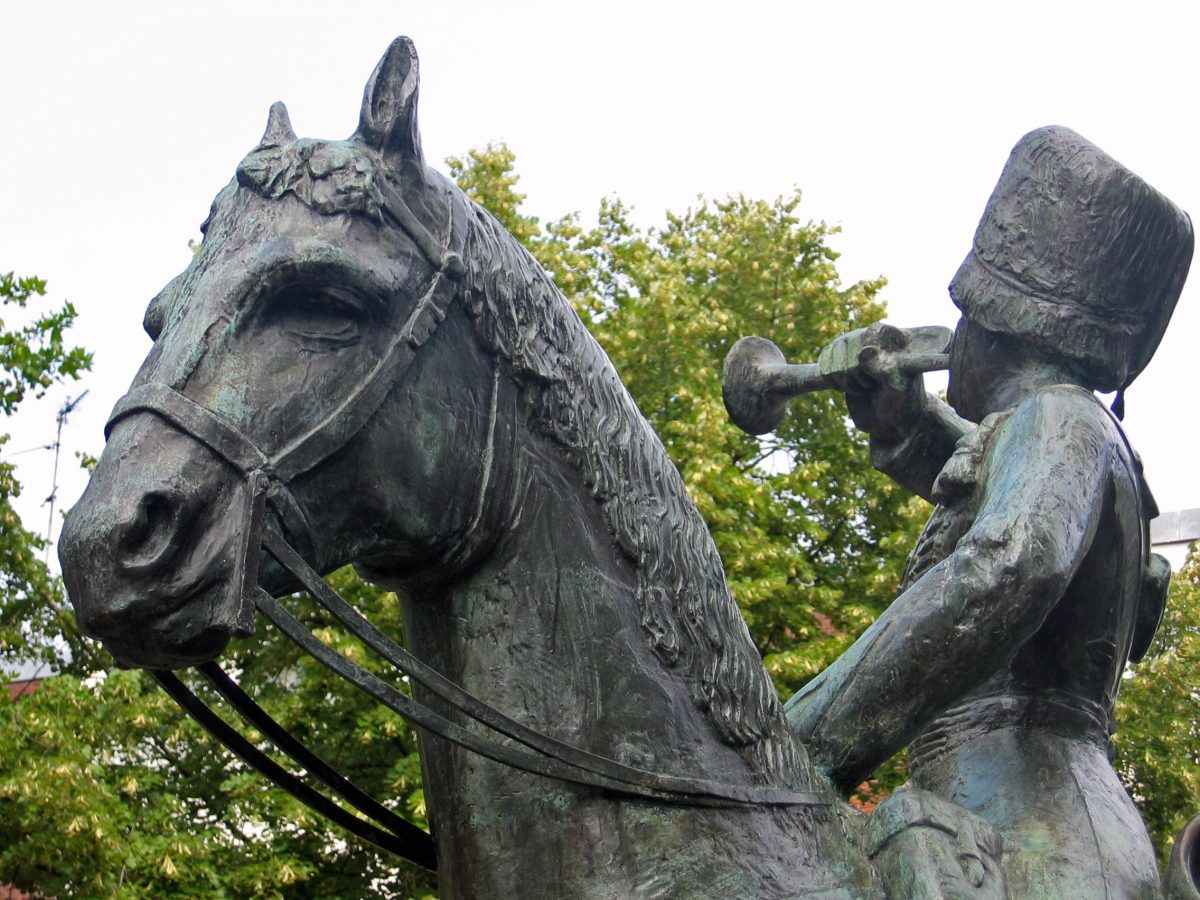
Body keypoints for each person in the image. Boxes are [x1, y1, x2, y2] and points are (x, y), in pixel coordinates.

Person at [785, 126, 1193, 897]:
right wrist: (904, 422)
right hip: (1023, 827)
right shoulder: (1067, 428)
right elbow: (989, 488)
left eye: (964, 315)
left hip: (1031, 839)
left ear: (995, 326)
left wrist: (795, 738)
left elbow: (1010, 563)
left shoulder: (1059, 419)